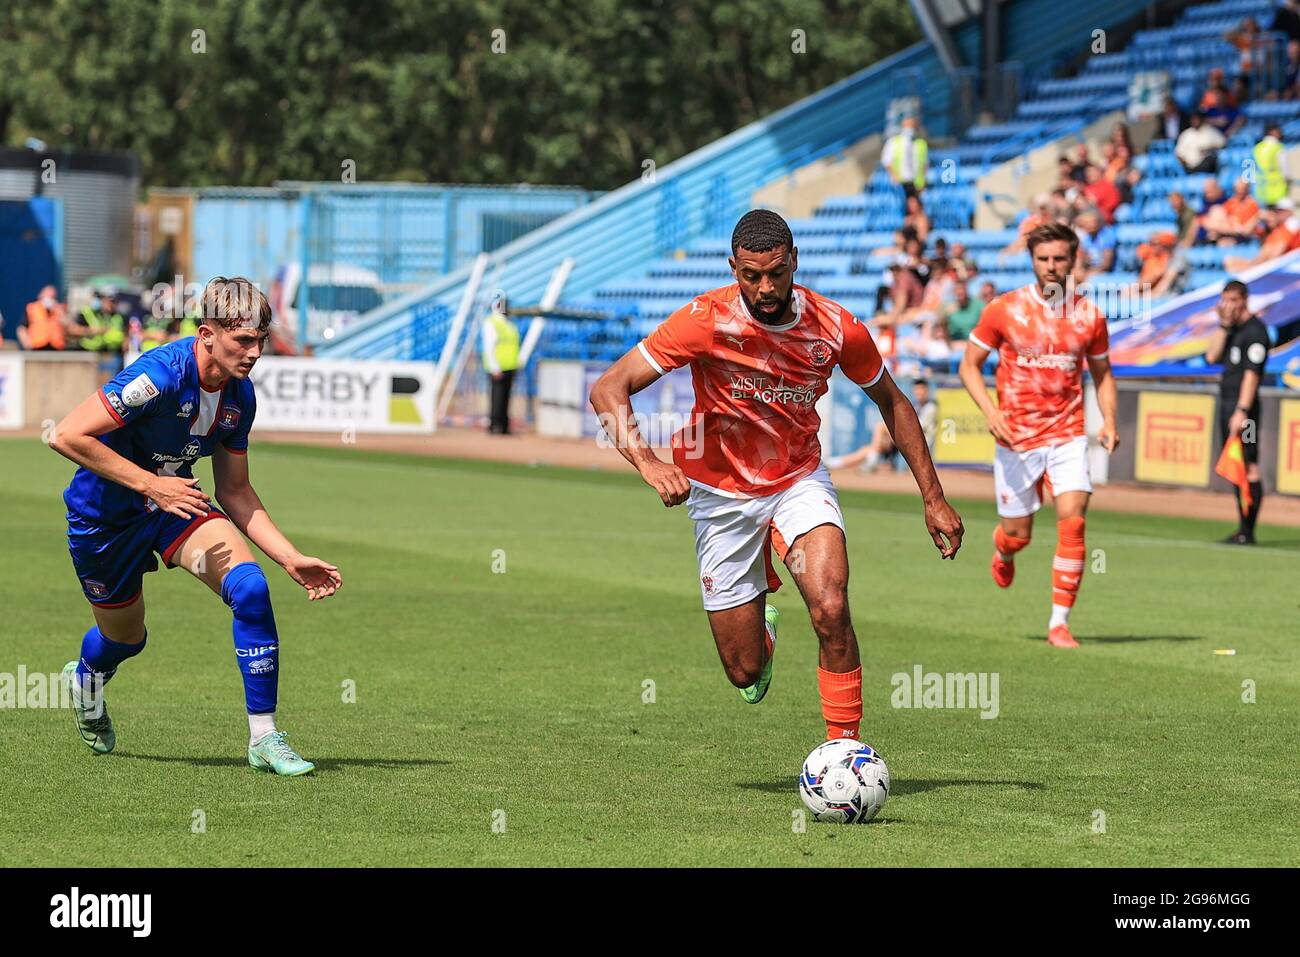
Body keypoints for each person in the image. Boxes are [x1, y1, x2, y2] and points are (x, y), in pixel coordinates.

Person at [588, 209, 963, 742]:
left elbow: (894, 403)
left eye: (777, 273)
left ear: (794, 264)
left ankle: (846, 753)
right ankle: (761, 630)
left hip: (797, 481)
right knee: (744, 671)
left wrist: (933, 496)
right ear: (733, 268)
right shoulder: (703, 320)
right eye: (751, 275)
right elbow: (609, 387)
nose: (766, 288)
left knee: (832, 607)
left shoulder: (836, 327)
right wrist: (648, 463)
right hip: (720, 495)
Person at [49, 277, 342, 775]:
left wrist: (289, 556)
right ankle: (87, 678)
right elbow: (65, 435)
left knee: (250, 589)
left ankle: (264, 737)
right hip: (103, 520)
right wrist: (150, 485)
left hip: (175, 508)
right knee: (125, 639)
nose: (255, 353)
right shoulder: (159, 375)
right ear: (207, 334)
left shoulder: (240, 398)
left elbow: (235, 491)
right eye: (243, 340)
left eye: (260, 341)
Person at [957, 222, 1119, 649]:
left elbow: (1103, 374)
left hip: (1067, 433)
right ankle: (1004, 550)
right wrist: (990, 411)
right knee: (1019, 533)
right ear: (1032, 261)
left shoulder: (1089, 316)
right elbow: (968, 365)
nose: (1051, 266)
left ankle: (1059, 624)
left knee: (1074, 519)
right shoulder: (1003, 309)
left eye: (1059, 258)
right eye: (1043, 259)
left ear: (1073, 260)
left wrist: (1109, 420)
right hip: (1016, 438)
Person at [1205, 280, 1267, 544]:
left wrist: (1242, 411)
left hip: (1246, 410)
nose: (1227, 306)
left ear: (1244, 300)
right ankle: (1242, 527)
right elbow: (1211, 357)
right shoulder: (1231, 330)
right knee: (1236, 464)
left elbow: (1252, 376)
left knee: (1249, 463)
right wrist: (1222, 325)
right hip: (1228, 403)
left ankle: (1248, 530)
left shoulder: (1256, 331)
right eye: (1224, 300)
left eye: (1232, 300)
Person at [825, 378, 938, 472]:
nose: (918, 393)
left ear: (927, 391)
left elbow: (916, 429)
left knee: (881, 428)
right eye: (917, 390)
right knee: (869, 448)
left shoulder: (931, 407)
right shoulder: (917, 406)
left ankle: (869, 458)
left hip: (919, 444)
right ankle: (836, 463)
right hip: (905, 442)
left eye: (921, 390)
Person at [481, 290, 520, 435]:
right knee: (497, 398)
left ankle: (504, 426)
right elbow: (489, 346)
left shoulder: (509, 324)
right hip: (498, 367)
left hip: (510, 366)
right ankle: (494, 426)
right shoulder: (491, 323)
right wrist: (494, 367)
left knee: (506, 398)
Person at [1225, 199, 1300, 271]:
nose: (1277, 213)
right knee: (1230, 261)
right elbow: (1246, 232)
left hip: (1289, 264)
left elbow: (1276, 254)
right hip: (1272, 264)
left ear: (1289, 212)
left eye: (1281, 211)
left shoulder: (1290, 225)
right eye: (1276, 211)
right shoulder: (1274, 228)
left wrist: (1251, 267)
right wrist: (1256, 217)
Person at [881, 116, 928, 198]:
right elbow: (886, 161)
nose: (910, 128)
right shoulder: (893, 142)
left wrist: (923, 183)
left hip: (917, 183)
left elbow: (924, 165)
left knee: (915, 207)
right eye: (907, 125)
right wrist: (894, 176)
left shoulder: (921, 143)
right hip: (900, 183)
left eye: (912, 125)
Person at [19, 285, 69, 351]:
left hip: (56, 347)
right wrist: (27, 343)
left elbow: (68, 326)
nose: (49, 299)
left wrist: (58, 310)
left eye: (52, 297)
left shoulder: (59, 309)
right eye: (47, 296)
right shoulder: (32, 308)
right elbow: (22, 328)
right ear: (40, 296)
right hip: (37, 346)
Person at [1253, 124, 1288, 208]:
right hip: (1277, 187)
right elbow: (1285, 169)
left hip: (1262, 187)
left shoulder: (1257, 147)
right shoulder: (1278, 147)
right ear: (1273, 132)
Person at [1074, 209, 1117, 275]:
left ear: (1098, 222)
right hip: (1091, 271)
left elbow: (1107, 264)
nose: (1089, 225)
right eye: (1086, 223)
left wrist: (1090, 273)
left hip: (1106, 274)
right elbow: (1083, 259)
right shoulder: (1086, 238)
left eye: (1091, 222)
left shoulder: (1107, 235)